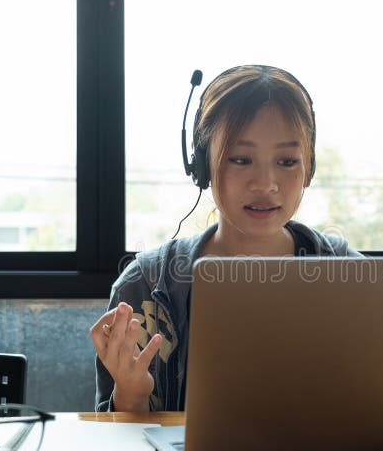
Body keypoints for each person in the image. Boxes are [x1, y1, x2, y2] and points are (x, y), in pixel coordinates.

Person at [91, 65, 361, 412]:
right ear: (201, 166)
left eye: (287, 161)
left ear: (309, 166)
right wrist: (131, 395)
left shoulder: (347, 272)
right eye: (240, 159)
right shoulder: (145, 288)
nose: (265, 183)